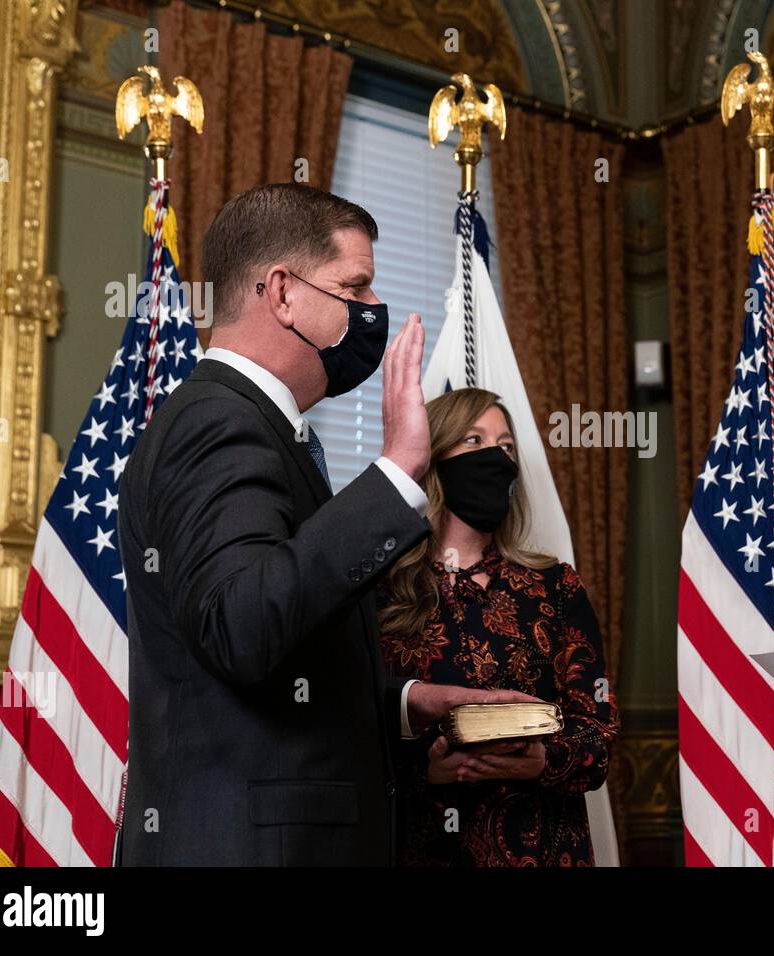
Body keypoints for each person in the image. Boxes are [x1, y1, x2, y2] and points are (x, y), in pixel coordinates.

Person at [118, 183, 531, 866]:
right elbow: (243, 625)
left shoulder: (256, 425)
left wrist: (407, 703)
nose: (373, 311)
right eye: (356, 286)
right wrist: (399, 468)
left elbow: (288, 653)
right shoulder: (219, 421)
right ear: (280, 292)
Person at [377, 387, 618, 866]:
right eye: (474, 440)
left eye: (506, 446)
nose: (496, 457)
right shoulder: (381, 590)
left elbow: (599, 729)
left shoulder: (555, 587)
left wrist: (544, 761)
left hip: (546, 845)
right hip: (423, 848)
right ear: (433, 454)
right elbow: (349, 729)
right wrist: (426, 770)